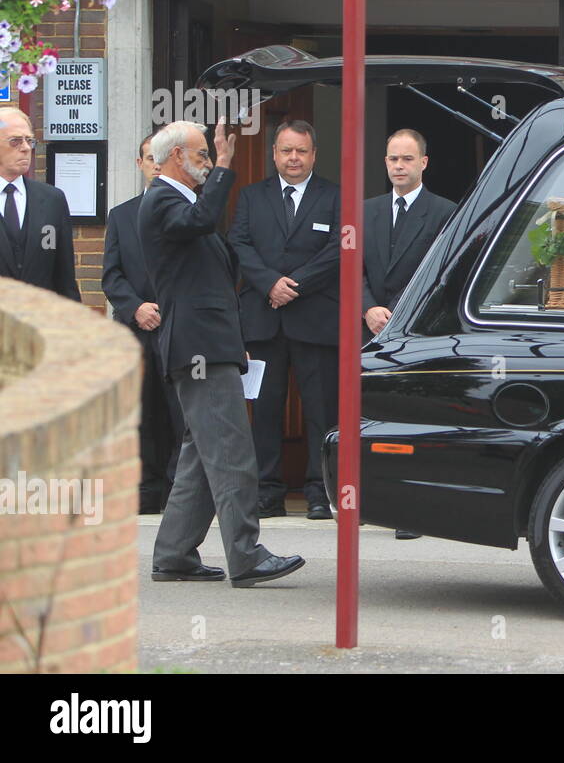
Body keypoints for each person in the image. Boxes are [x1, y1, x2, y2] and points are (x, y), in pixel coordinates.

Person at [140, 119, 304, 587]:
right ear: (175, 157)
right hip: (197, 349)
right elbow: (201, 221)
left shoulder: (183, 202)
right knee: (231, 451)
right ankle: (247, 555)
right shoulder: (163, 200)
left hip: (210, 346)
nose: (208, 163)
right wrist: (226, 169)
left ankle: (173, 554)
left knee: (201, 455)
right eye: (202, 155)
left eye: (211, 157)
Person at [228, 119, 340, 522]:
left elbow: (339, 249)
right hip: (264, 319)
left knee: (320, 411)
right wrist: (269, 283)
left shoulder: (335, 197)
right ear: (274, 153)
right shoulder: (251, 197)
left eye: (302, 151)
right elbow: (239, 243)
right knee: (265, 409)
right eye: (287, 150)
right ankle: (267, 491)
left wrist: (296, 285)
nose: (294, 158)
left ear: (314, 154)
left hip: (315, 320)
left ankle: (317, 490)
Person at [363, 128, 456, 540]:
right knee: (363, 418)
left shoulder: (445, 212)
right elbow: (351, 267)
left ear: (423, 163)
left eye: (406, 159)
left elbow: (440, 275)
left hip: (415, 332)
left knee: (406, 422)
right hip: (368, 327)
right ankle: (366, 500)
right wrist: (368, 307)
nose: (398, 166)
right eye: (391, 159)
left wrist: (398, 313)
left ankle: (407, 510)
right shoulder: (366, 210)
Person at [103, 135, 185, 514]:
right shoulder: (120, 215)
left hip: (176, 328)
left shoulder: (186, 213)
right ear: (139, 164)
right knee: (142, 411)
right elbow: (112, 275)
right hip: (135, 331)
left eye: (161, 158)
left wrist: (168, 308)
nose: (155, 164)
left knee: (178, 412)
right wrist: (136, 308)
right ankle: (146, 488)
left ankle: (176, 491)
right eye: (149, 158)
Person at [0, 107, 80, 301]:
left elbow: (64, 277)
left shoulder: (53, 199)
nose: (26, 148)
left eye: (29, 140)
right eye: (15, 141)